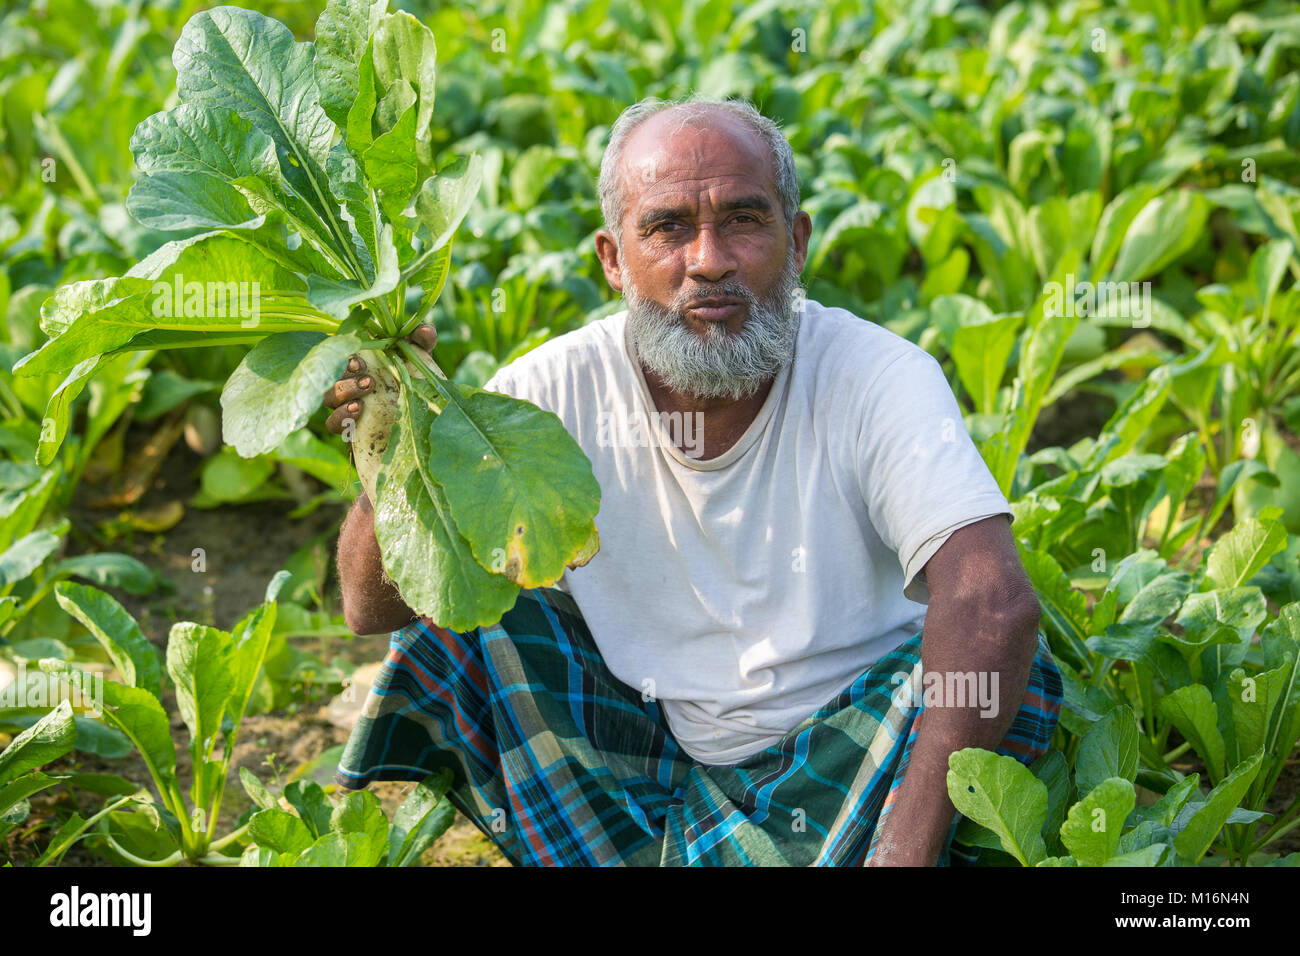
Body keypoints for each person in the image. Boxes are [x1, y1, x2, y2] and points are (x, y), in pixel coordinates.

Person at [324, 95, 1061, 866]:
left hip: (853, 756)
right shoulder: (544, 393)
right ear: (612, 259)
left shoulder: (877, 376)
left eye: (744, 219)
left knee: (1000, 668)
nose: (708, 259)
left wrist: (905, 850)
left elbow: (992, 599)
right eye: (667, 227)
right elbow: (373, 607)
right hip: (634, 762)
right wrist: (403, 444)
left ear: (798, 241)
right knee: (465, 621)